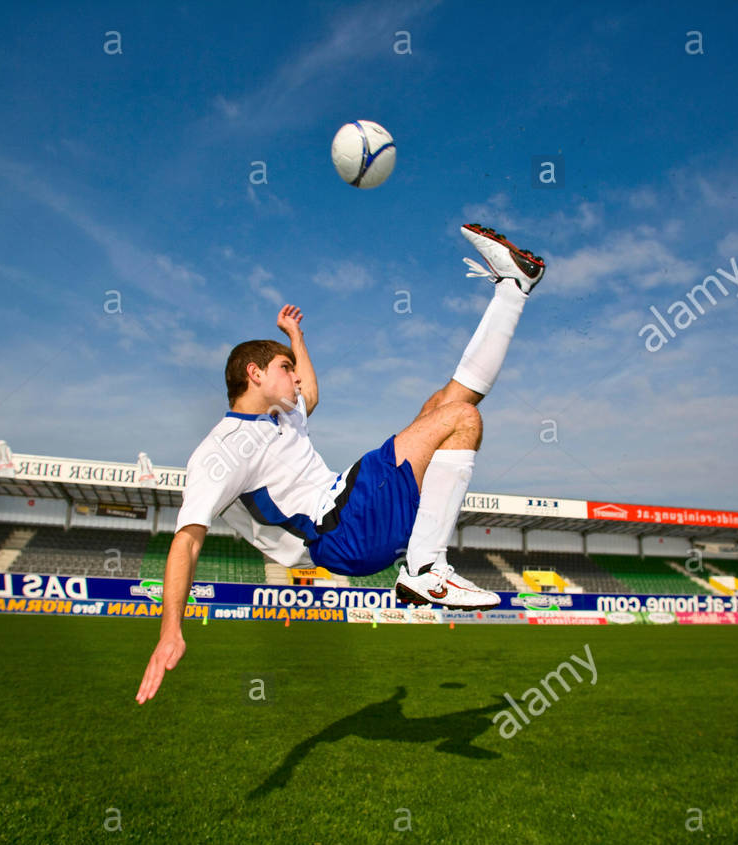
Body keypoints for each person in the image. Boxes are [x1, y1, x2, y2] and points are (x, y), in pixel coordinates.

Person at [136, 224, 545, 703]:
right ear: (254, 374)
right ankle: (424, 568)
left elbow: (310, 391)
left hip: (348, 503)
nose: (295, 378)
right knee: (461, 418)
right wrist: (170, 630)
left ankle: (514, 289)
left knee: (442, 403)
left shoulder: (284, 415)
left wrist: (295, 338)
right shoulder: (220, 450)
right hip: (339, 531)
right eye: (284, 368)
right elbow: (185, 542)